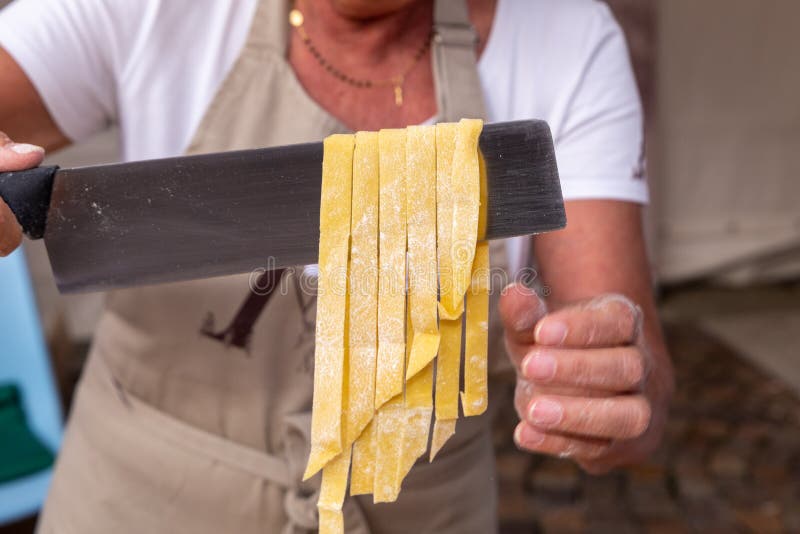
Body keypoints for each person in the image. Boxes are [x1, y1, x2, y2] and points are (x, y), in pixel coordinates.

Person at [0, 0, 674, 532]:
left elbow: (640, 375)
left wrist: (599, 383)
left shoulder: (574, 41)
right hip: (134, 504)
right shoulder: (147, 7)